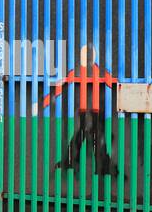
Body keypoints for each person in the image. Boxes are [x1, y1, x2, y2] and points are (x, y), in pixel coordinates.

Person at [38, 43, 117, 175]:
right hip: (87, 113)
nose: (88, 57)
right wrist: (45, 102)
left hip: (93, 113)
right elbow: (59, 88)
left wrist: (45, 102)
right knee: (86, 138)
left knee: (89, 138)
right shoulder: (85, 72)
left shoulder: (95, 72)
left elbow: (114, 84)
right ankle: (89, 164)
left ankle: (92, 164)